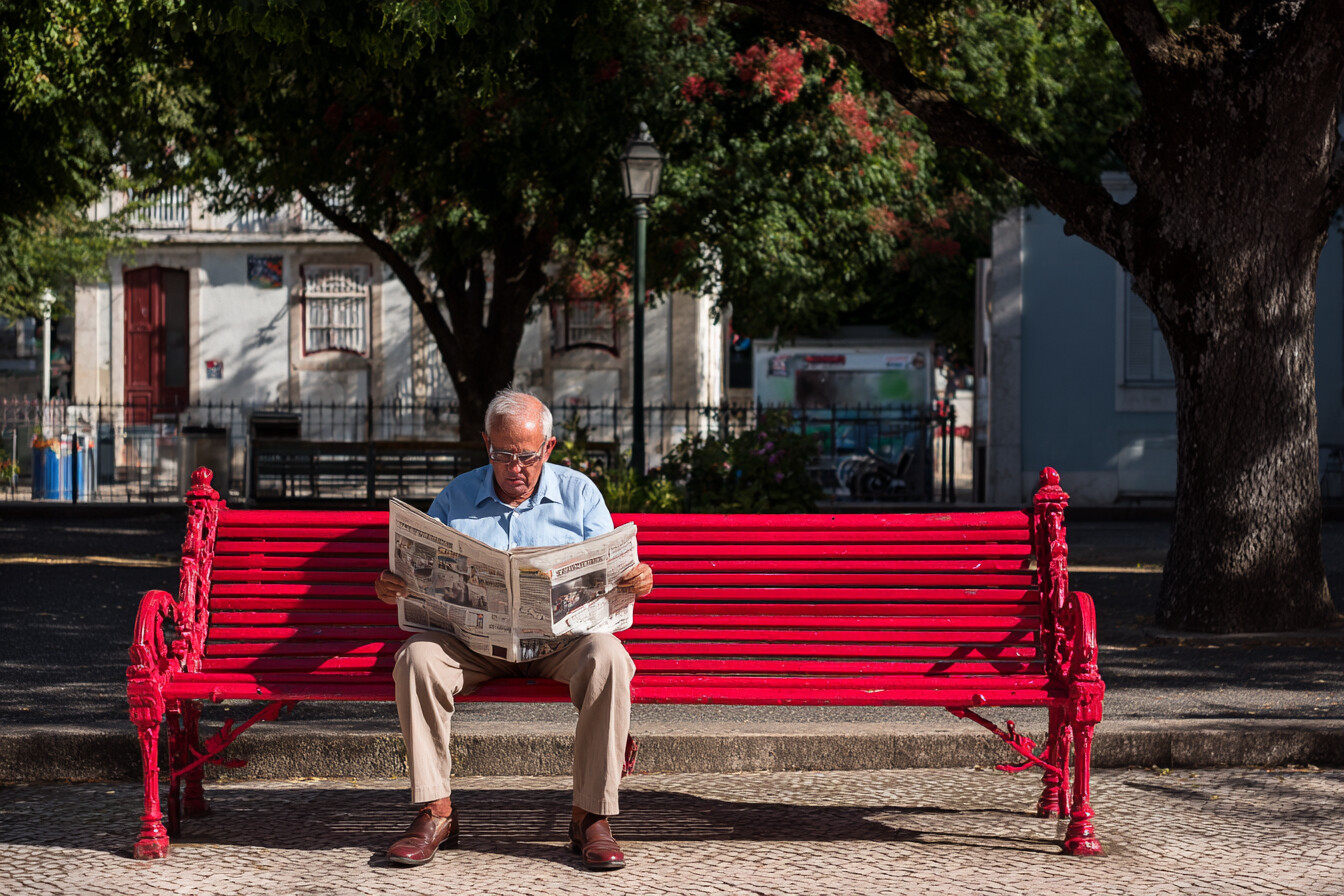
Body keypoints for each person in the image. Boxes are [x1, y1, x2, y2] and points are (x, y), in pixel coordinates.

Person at [373, 389, 654, 871]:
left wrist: (637, 578)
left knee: (609, 657)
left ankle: (590, 816)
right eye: (501, 454)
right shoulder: (457, 496)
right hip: (472, 645)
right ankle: (436, 811)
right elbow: (420, 570)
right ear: (486, 444)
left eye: (525, 456)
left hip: (557, 644)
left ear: (548, 448)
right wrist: (392, 585)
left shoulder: (579, 494)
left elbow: (613, 569)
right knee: (416, 658)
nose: (513, 467)